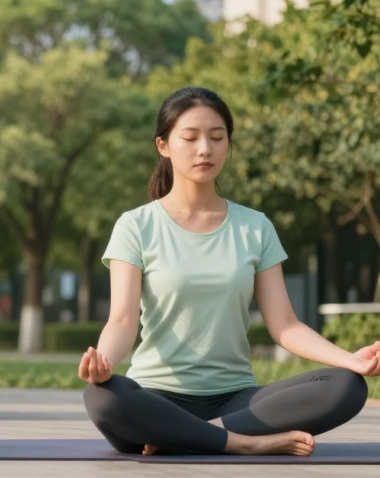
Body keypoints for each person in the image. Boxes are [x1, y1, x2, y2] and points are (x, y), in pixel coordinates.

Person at [81, 86, 377, 456]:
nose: (205, 148)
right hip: (155, 399)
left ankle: (190, 435)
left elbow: (285, 325)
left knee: (346, 386)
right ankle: (243, 444)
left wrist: (351, 359)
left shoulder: (255, 227)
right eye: (190, 137)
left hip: (237, 403)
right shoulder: (136, 226)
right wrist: (104, 364)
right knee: (104, 398)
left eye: (217, 138)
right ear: (163, 146)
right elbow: (123, 321)